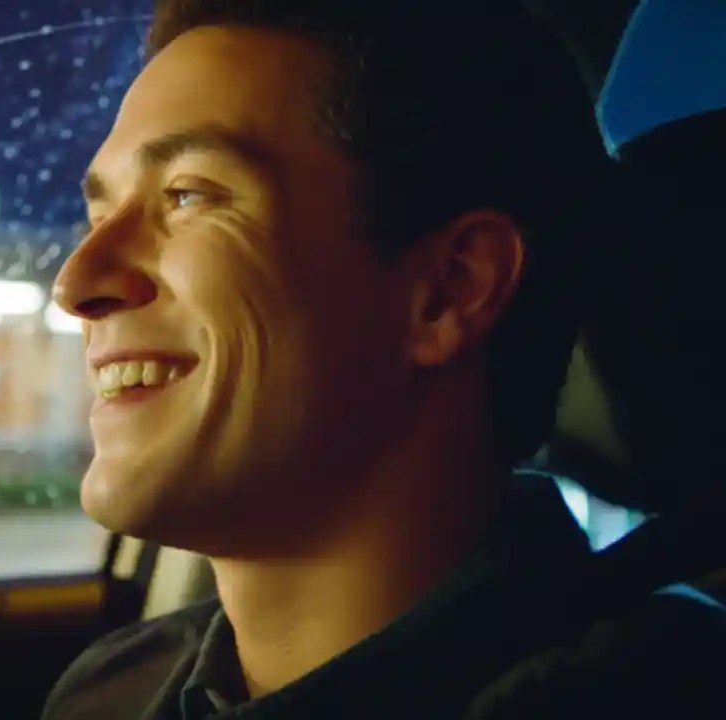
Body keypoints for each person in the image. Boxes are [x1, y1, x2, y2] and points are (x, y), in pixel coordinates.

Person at [42, 2, 724, 718]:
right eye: (98, 215)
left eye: (188, 195)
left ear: (450, 289)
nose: (76, 283)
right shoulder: (114, 686)